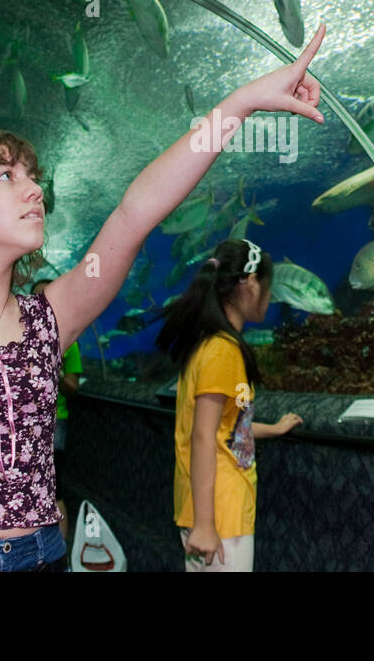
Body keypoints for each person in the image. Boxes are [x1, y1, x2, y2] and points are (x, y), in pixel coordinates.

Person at [0, 23, 326, 571]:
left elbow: (137, 210)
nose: (33, 190)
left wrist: (241, 103)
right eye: (6, 177)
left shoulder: (51, 319)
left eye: (33, 177)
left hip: (41, 557)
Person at [155, 237, 303, 572]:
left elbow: (225, 428)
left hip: (206, 508)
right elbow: (204, 437)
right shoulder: (224, 350)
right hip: (220, 516)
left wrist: (273, 428)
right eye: (269, 285)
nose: (270, 294)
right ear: (250, 283)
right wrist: (207, 525)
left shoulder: (205, 345)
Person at [32, 276, 81, 542]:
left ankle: (60, 556)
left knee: (53, 489)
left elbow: (74, 388)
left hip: (54, 423)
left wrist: (56, 372)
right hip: (24, 427)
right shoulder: (17, 335)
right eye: (38, 297)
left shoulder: (69, 341)